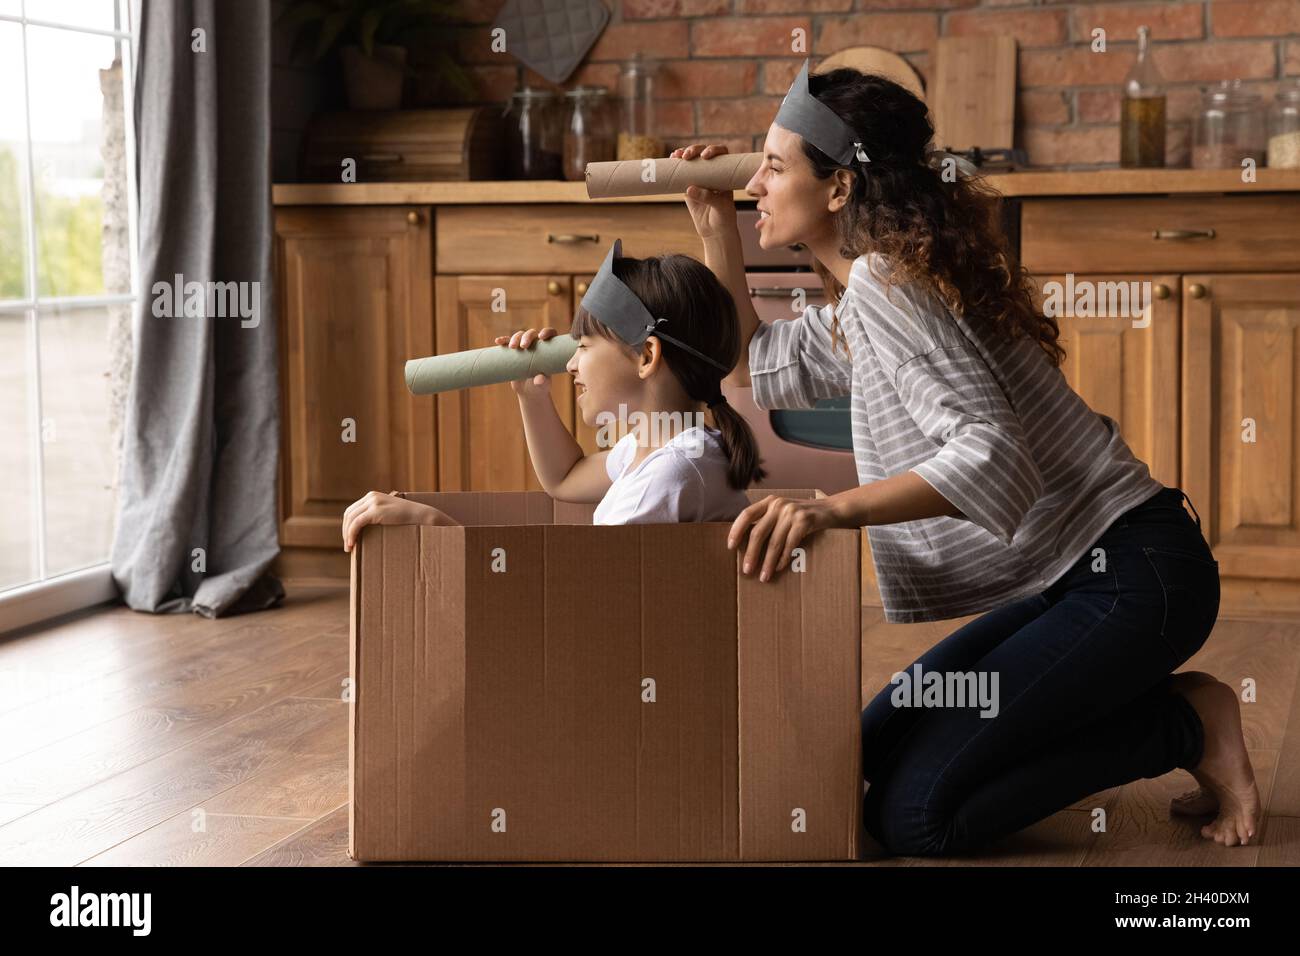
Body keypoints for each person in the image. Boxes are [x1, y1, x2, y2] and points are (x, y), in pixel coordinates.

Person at [671, 59, 1259, 854]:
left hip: (1135, 575)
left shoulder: (885, 283)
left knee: (913, 817)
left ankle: (1184, 726)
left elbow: (990, 455)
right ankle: (1138, 708)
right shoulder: (867, 294)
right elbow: (750, 367)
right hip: (1075, 581)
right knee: (863, 760)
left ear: (839, 189)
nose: (757, 186)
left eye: (774, 167)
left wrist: (831, 507)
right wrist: (713, 227)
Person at [342, 238, 762, 549]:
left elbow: (573, 591)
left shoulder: (672, 474)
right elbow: (565, 478)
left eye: (583, 345)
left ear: (646, 356)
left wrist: (433, 528)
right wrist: (531, 395)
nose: (570, 364)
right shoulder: (661, 447)